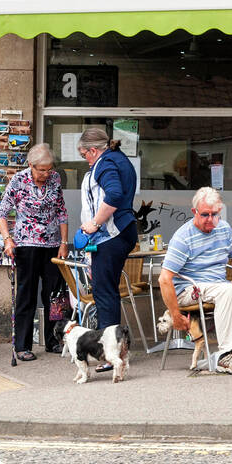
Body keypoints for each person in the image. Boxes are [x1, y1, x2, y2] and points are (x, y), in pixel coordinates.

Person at [158, 187, 232, 374]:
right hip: (189, 290)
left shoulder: (224, 228)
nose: (210, 219)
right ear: (194, 212)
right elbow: (164, 279)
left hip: (219, 285)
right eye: (205, 214)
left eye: (214, 214)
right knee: (227, 291)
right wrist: (175, 315)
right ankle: (227, 354)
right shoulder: (183, 237)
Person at [0, 143, 69, 361]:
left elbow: (62, 211)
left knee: (54, 296)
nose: (46, 174)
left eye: (49, 169)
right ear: (31, 165)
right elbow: (2, 213)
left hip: (52, 245)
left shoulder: (55, 179)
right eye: (41, 170)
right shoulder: (18, 180)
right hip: (26, 246)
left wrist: (64, 242)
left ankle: (53, 340)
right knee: (26, 295)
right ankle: (22, 345)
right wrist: (8, 240)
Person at [77, 127, 139, 371]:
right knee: (108, 291)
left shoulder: (105, 163)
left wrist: (94, 223)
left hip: (110, 235)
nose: (86, 160)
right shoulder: (119, 159)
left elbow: (113, 195)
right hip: (122, 231)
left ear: (94, 150)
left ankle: (109, 353)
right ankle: (116, 349)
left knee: (104, 293)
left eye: (84, 155)